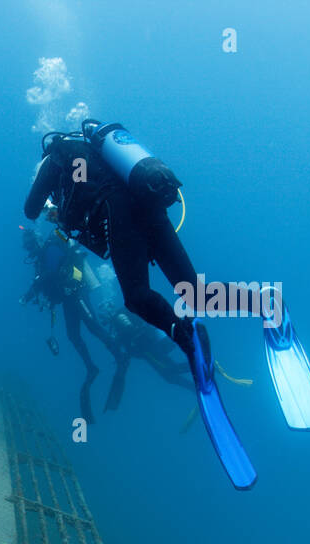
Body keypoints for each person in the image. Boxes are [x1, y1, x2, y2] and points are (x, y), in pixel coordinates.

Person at [23, 119, 256, 488]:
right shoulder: (107, 157)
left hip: (119, 212)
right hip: (150, 207)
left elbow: (30, 209)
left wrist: (51, 196)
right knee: (195, 292)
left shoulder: (57, 159)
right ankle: (265, 303)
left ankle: (188, 335)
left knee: (135, 295)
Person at [19, 227, 121, 423]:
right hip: (67, 299)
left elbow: (50, 274)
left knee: (93, 327)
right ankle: (91, 366)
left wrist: (29, 294)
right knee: (73, 336)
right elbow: (47, 281)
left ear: (38, 241)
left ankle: (117, 353)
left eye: (31, 245)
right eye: (27, 247)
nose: (30, 250)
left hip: (76, 293)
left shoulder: (51, 247)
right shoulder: (41, 258)